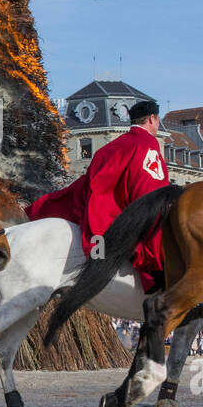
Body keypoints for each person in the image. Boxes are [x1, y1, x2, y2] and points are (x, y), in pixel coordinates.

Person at [25, 99, 170, 291]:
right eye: (157, 120)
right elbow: (150, 190)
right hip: (123, 216)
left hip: (99, 211)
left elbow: (91, 179)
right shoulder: (148, 145)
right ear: (152, 118)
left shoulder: (112, 146)